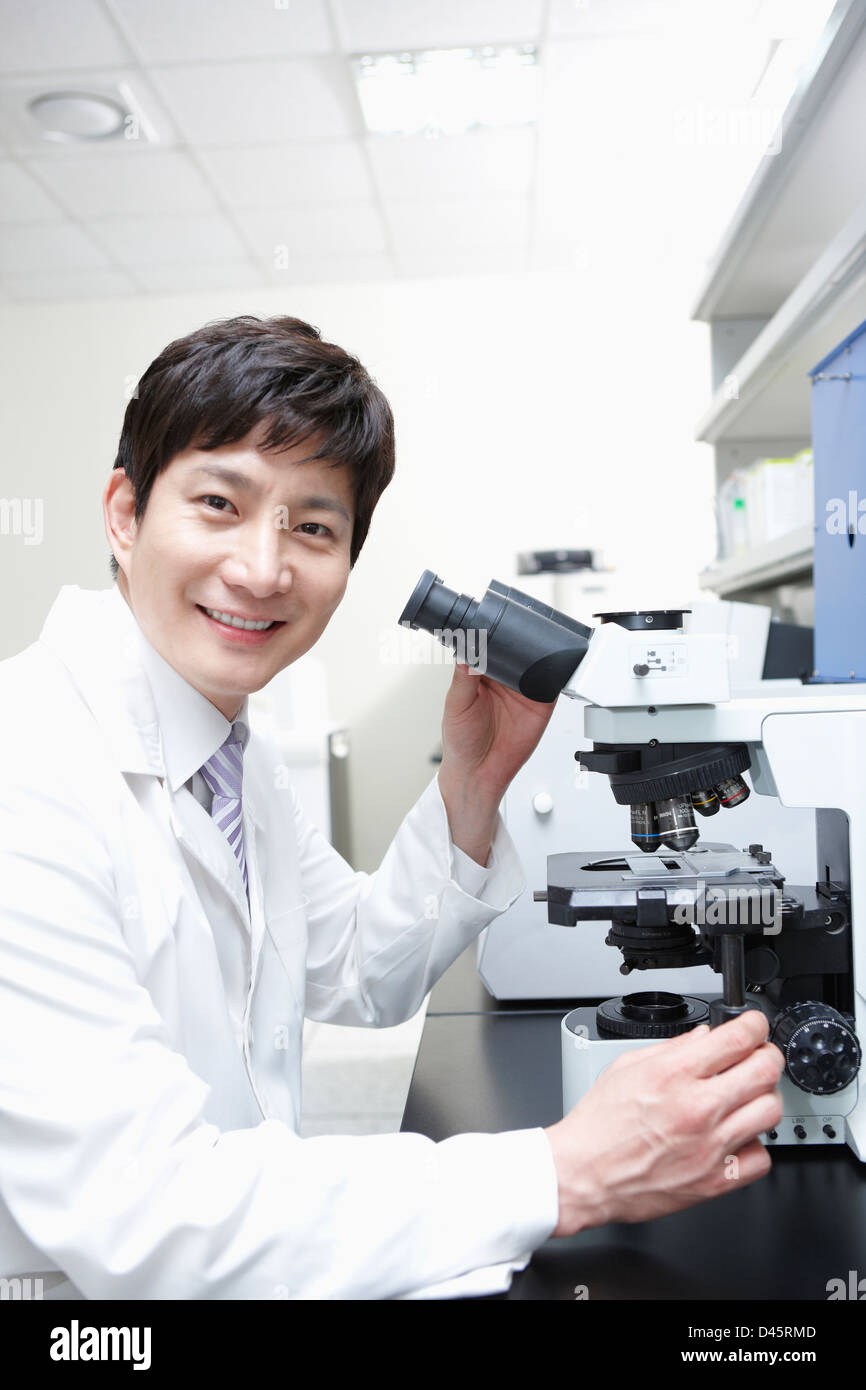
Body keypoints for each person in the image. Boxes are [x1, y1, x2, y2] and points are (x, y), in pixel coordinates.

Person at [0, 315, 784, 1300]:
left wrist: (471, 780)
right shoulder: (27, 770)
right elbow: (151, 1214)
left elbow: (355, 971)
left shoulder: (228, 749)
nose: (261, 567)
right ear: (124, 511)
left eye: (313, 526)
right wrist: (561, 1168)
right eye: (218, 503)